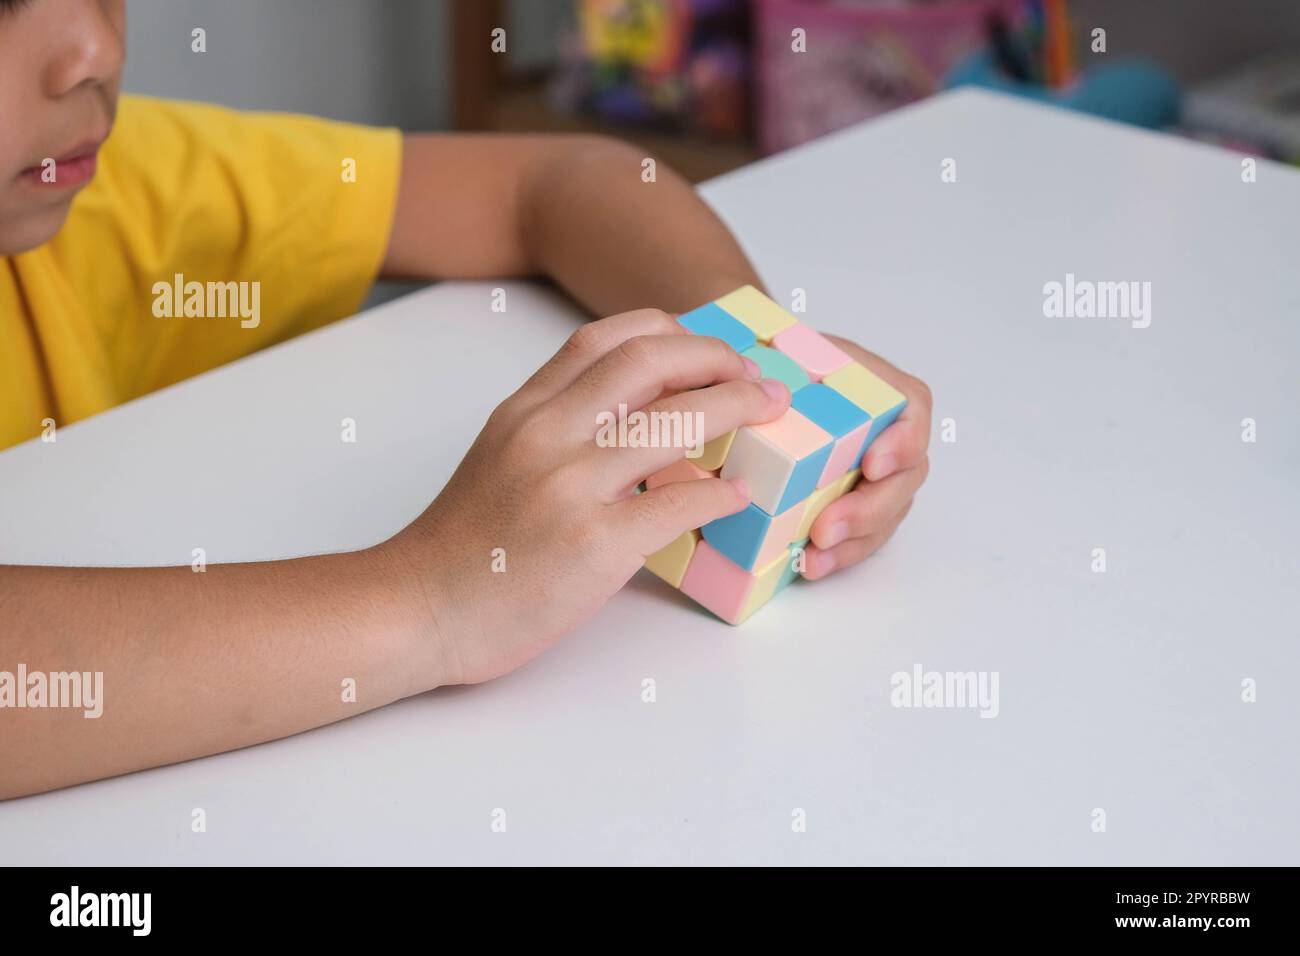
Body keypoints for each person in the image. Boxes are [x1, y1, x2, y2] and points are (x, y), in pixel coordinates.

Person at [0, 0, 931, 798]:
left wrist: (749, 359)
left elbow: (563, 182)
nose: (95, 49)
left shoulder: (126, 179)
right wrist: (429, 599)